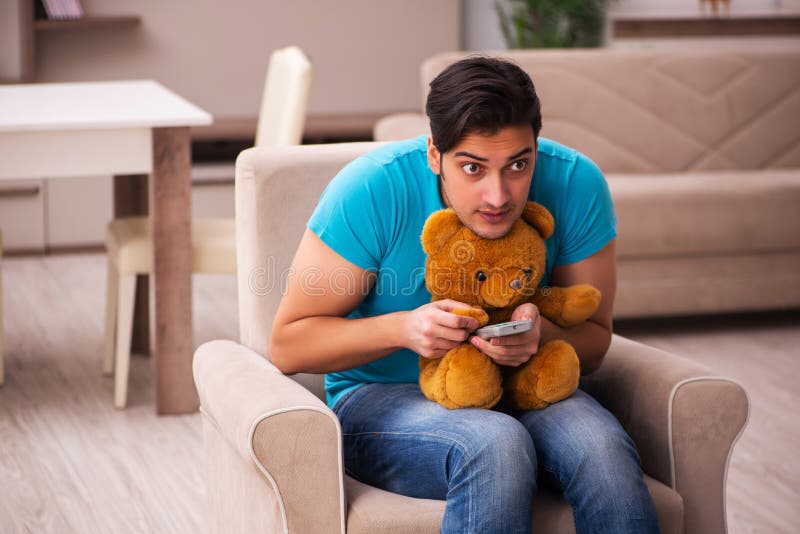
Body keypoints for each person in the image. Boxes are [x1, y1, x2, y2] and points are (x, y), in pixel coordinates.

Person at [269, 56, 660, 533]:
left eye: (518, 165)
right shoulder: (372, 189)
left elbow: (596, 341)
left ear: (536, 147)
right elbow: (288, 345)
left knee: (603, 451)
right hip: (381, 396)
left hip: (525, 387)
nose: (498, 196)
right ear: (434, 154)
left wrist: (541, 335)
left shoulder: (577, 183)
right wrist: (403, 328)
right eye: (473, 168)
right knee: (494, 444)